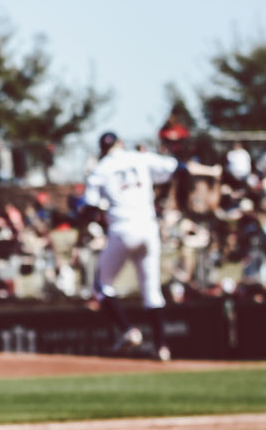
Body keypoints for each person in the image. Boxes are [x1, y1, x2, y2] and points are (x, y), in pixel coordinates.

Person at [82, 133, 217, 360]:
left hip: (121, 229)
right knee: (151, 290)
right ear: (120, 143)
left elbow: (89, 206)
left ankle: (127, 330)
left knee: (102, 286)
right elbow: (180, 168)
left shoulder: (101, 168)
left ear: (102, 149)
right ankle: (162, 346)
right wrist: (169, 197)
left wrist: (87, 223)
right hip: (148, 228)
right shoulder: (140, 158)